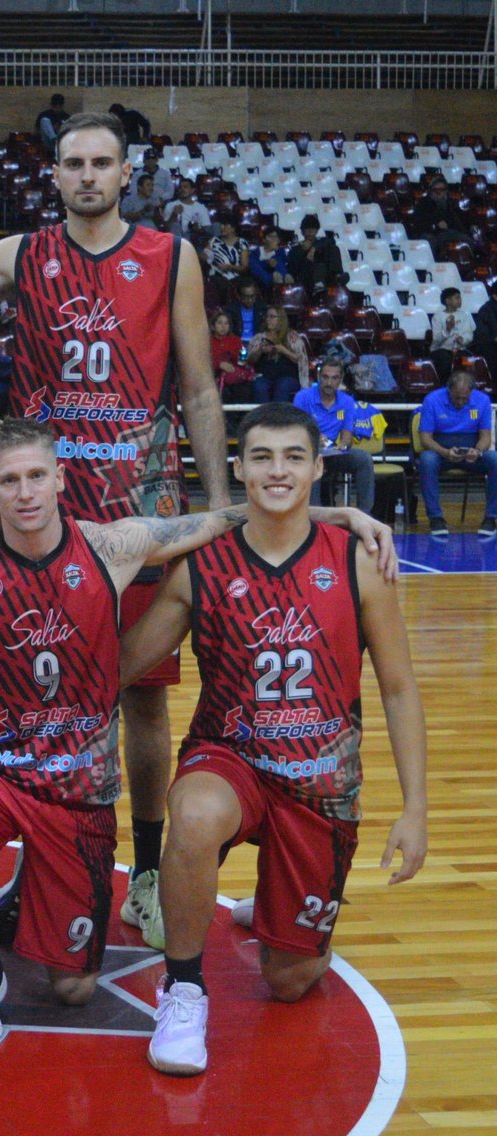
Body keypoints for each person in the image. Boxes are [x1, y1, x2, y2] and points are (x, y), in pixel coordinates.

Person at [0, 416, 394, 1044]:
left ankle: (32, 888)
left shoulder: (112, 546)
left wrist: (331, 514)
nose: (25, 492)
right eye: (9, 481)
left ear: (61, 478)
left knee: (74, 989)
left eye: (37, 476)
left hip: (78, 787)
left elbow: (220, 520)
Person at [0, 111, 232, 953]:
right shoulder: (21, 256)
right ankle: (45, 863)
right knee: (39, 697)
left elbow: (199, 387)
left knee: (141, 697)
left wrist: (219, 506)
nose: (87, 175)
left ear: (125, 171)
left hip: (142, 503)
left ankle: (143, 871)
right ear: (55, 173)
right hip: (45, 522)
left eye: (102, 162)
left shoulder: (171, 256)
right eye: (73, 163)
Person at [120, 404, 426, 1076]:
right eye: (261, 457)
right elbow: (122, 665)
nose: (277, 470)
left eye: (293, 457)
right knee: (194, 814)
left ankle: (280, 902)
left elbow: (400, 689)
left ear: (317, 468)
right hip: (229, 757)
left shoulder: (358, 563)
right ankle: (184, 990)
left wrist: (415, 808)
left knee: (290, 980)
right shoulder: (201, 566)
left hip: (320, 780)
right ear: (239, 468)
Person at [415, 368, 497, 537]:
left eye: (465, 398)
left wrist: (478, 451)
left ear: (472, 392)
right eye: (456, 397)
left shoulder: (482, 400)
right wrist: (445, 452)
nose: (460, 402)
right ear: (448, 390)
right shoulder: (432, 400)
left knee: (494, 459)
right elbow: (425, 439)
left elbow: (486, 437)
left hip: (471, 453)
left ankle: (490, 518)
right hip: (440, 451)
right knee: (426, 460)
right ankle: (436, 518)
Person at [294, 357, 377, 514]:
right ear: (319, 377)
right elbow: (295, 431)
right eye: (325, 377)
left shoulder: (347, 401)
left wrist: (343, 445)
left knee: (364, 459)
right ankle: (315, 518)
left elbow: (347, 436)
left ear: (340, 379)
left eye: (334, 378)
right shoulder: (302, 397)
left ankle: (364, 516)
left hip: (332, 453)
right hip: (306, 453)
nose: (329, 382)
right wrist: (313, 437)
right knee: (315, 461)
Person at [247, 306, 309, 404]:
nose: (268, 319)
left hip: (287, 376)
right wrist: (260, 351)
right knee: (259, 385)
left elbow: (301, 360)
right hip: (265, 376)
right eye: (267, 316)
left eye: (272, 317)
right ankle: (264, 413)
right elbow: (249, 361)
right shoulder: (259, 338)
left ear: (280, 319)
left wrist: (283, 350)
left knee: (282, 385)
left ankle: (278, 413)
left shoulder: (292, 336)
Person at [286, 214, 344, 292]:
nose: (310, 231)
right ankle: (321, 283)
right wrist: (304, 254)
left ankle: (337, 276)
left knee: (334, 249)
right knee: (319, 267)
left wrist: (314, 248)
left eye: (313, 228)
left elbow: (331, 241)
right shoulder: (295, 249)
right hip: (306, 278)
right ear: (302, 231)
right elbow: (294, 270)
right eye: (307, 228)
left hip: (325, 276)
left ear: (317, 230)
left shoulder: (322, 242)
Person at [429, 286, 474, 384]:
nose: (460, 300)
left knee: (469, 360)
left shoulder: (464, 315)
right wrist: (447, 330)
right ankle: (445, 385)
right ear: (448, 301)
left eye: (460, 298)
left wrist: (463, 339)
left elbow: (469, 334)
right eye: (457, 298)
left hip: (459, 349)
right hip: (441, 350)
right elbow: (436, 340)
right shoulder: (438, 317)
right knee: (445, 359)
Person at [210, 309, 254, 404]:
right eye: (220, 323)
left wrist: (239, 360)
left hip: (233, 375)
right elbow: (203, 361)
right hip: (213, 376)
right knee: (223, 392)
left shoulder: (236, 340)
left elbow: (242, 361)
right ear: (213, 326)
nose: (223, 326)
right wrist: (219, 364)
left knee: (243, 391)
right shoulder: (208, 341)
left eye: (226, 323)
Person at [204, 216, 250, 303]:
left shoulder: (242, 242)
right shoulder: (214, 241)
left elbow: (244, 267)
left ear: (233, 228)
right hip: (216, 276)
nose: (222, 227)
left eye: (225, 225)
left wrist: (230, 267)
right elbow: (205, 256)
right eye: (221, 225)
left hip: (235, 278)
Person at [162, 177, 212, 242]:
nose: (182, 189)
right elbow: (166, 229)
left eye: (185, 187)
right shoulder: (171, 205)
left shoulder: (201, 207)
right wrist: (174, 214)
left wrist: (198, 228)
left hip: (195, 238)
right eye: (180, 187)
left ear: (192, 190)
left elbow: (207, 229)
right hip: (178, 238)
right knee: (175, 226)